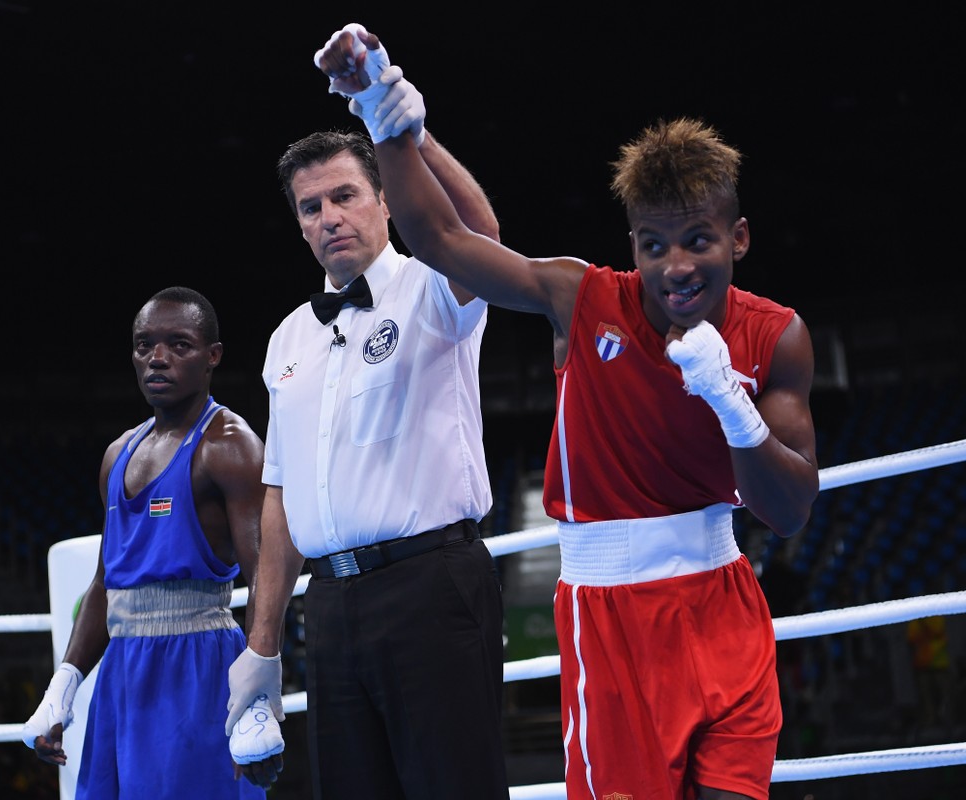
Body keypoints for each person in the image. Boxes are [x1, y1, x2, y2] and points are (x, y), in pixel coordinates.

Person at [318, 25, 821, 800]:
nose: (677, 267)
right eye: (656, 245)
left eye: (698, 241)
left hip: (724, 602)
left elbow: (787, 511)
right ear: (634, 244)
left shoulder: (774, 335)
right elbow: (444, 240)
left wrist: (730, 400)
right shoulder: (580, 299)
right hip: (610, 619)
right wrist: (382, 114)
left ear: (738, 238)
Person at [224, 27, 511, 800]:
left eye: (345, 195)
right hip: (334, 608)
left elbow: (481, 237)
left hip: (432, 587)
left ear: (385, 195)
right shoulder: (288, 337)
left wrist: (391, 117)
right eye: (310, 207)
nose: (328, 218)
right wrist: (264, 644)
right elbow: (281, 495)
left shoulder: (429, 289)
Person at [21, 286, 271, 799]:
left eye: (179, 344)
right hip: (122, 673)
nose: (157, 358)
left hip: (199, 667)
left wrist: (260, 695)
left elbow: (267, 575)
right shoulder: (118, 454)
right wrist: (63, 686)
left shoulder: (231, 447)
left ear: (212, 357)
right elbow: (104, 581)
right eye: (144, 345)